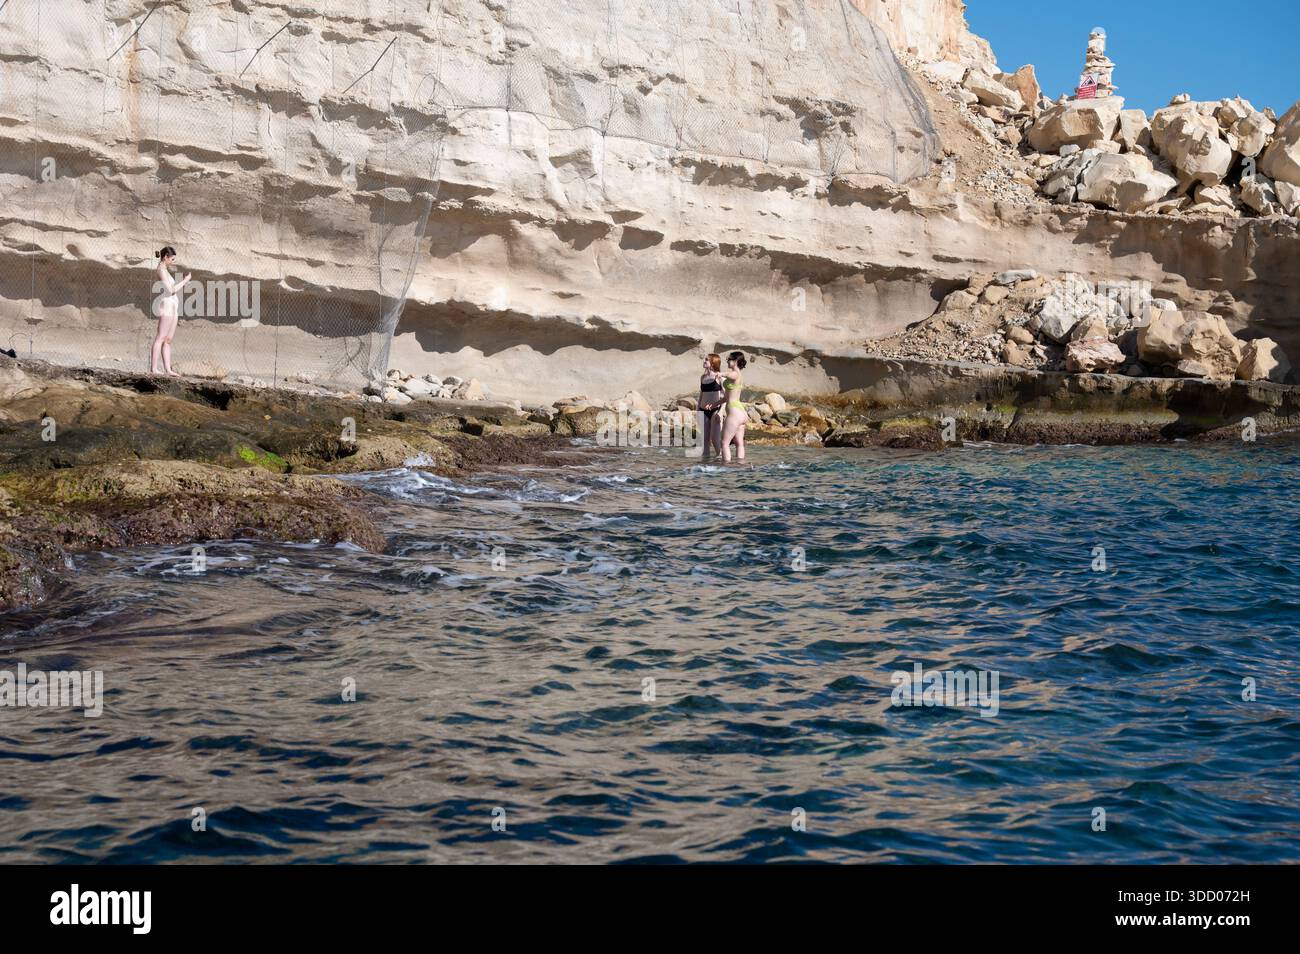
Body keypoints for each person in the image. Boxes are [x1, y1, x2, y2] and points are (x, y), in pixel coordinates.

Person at [151, 246, 190, 376]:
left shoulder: (166, 271)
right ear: (165, 257)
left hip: (173, 306)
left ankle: (168, 369)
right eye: (172, 259)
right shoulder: (161, 270)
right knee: (160, 337)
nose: (173, 261)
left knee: (168, 339)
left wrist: (183, 282)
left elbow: (173, 288)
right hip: (167, 305)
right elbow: (171, 290)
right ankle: (154, 368)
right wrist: (184, 281)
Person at [719, 351, 748, 463]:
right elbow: (726, 397)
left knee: (724, 443)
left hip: (735, 413)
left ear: (736, 361)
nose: (728, 361)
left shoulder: (736, 373)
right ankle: (740, 466)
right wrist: (715, 404)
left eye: (730, 359)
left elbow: (731, 375)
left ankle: (726, 468)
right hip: (741, 413)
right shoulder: (736, 375)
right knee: (739, 443)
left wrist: (721, 374)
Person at [698, 353, 726, 456]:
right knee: (704, 441)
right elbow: (701, 395)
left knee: (715, 439)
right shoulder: (703, 377)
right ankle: (705, 464)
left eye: (706, 360)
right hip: (703, 410)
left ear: (713, 363)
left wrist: (721, 412)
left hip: (716, 410)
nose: (704, 361)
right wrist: (698, 411)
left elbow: (726, 397)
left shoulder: (719, 378)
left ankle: (721, 459)